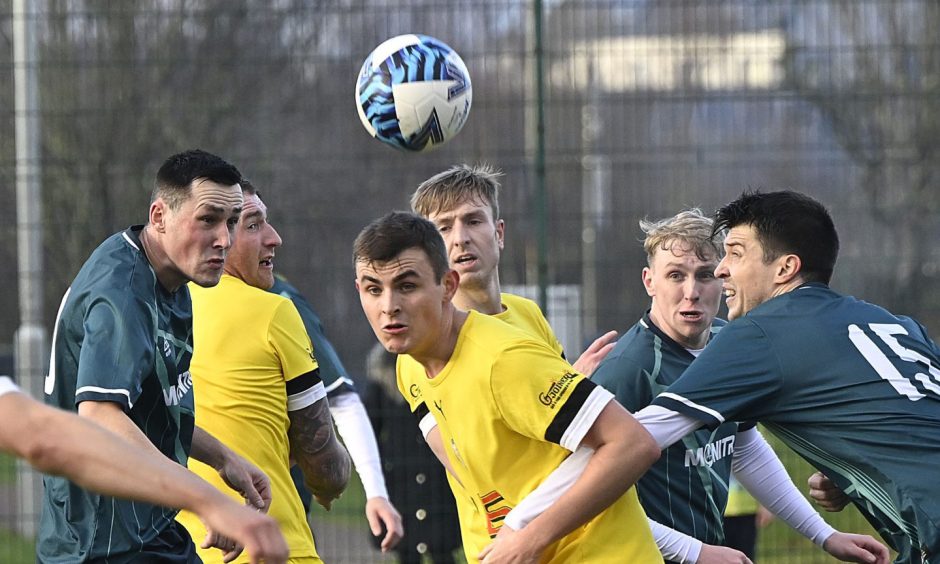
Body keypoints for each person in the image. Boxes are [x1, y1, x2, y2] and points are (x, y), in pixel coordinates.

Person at [508, 208, 887, 564]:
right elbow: (587, 500)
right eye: (676, 275)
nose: (691, 291)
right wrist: (694, 551)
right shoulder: (627, 370)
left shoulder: (729, 344)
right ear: (649, 282)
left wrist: (824, 534)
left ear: (723, 277)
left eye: (705, 275)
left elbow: (743, 447)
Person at [633, 190, 937, 563]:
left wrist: (540, 523)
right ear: (649, 281)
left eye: (736, 254)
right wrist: (857, 466)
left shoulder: (760, 334)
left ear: (785, 268)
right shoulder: (895, 324)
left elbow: (619, 448)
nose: (722, 269)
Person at [353, 211, 663, 564]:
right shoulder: (409, 365)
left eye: (407, 286)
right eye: (373, 289)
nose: (389, 307)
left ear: (448, 286)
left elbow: (633, 443)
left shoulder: (502, 360)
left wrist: (529, 539)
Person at [39, 150, 274, 564]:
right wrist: (206, 500)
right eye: (208, 219)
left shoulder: (170, 277)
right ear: (160, 216)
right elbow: (100, 414)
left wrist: (224, 459)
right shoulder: (123, 292)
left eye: (232, 221)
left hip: (149, 529)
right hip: (103, 544)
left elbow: (155, 407)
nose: (225, 239)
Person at [404, 164, 617, 557]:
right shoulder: (422, 351)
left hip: (579, 534)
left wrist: (572, 392)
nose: (460, 238)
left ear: (499, 233)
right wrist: (573, 399)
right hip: (505, 548)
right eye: (444, 228)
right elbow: (471, 467)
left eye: (473, 221)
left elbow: (564, 431)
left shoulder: (527, 314)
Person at [176, 181, 351, 563]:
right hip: (272, 547)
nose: (275, 238)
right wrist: (331, 479)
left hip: (183, 550)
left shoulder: (164, 309)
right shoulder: (274, 312)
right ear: (219, 237)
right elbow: (325, 467)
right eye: (254, 225)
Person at [0, 376, 289, 564]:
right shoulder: (120, 302)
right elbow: (50, 436)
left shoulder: (166, 307)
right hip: (111, 545)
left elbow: (141, 416)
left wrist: (222, 459)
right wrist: (210, 502)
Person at [272, 273, 404, 552]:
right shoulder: (185, 295)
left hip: (277, 519)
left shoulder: (280, 301)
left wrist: (375, 492)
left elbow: (342, 401)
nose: (272, 247)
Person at [361, 343, 461, 563]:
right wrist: (381, 464)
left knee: (442, 543)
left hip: (439, 466)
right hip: (400, 471)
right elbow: (369, 427)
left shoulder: (443, 361)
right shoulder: (383, 373)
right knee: (406, 547)